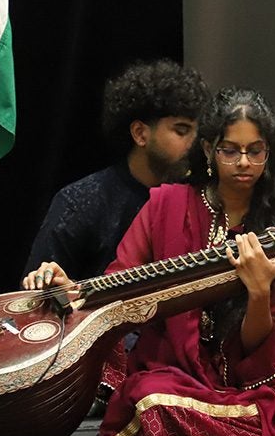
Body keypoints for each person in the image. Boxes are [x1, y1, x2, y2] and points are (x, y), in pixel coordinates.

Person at [24, 87, 275, 436]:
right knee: (152, 399)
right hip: (174, 375)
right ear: (207, 151)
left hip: (243, 382)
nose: (243, 162)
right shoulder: (165, 205)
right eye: (229, 150)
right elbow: (119, 286)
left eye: (255, 150)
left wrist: (258, 291)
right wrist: (74, 290)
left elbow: (257, 364)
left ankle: (247, 430)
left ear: (269, 153)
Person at [22, 59, 209, 282]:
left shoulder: (203, 197)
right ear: (140, 133)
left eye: (198, 133)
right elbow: (38, 295)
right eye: (181, 131)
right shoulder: (80, 202)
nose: (194, 144)